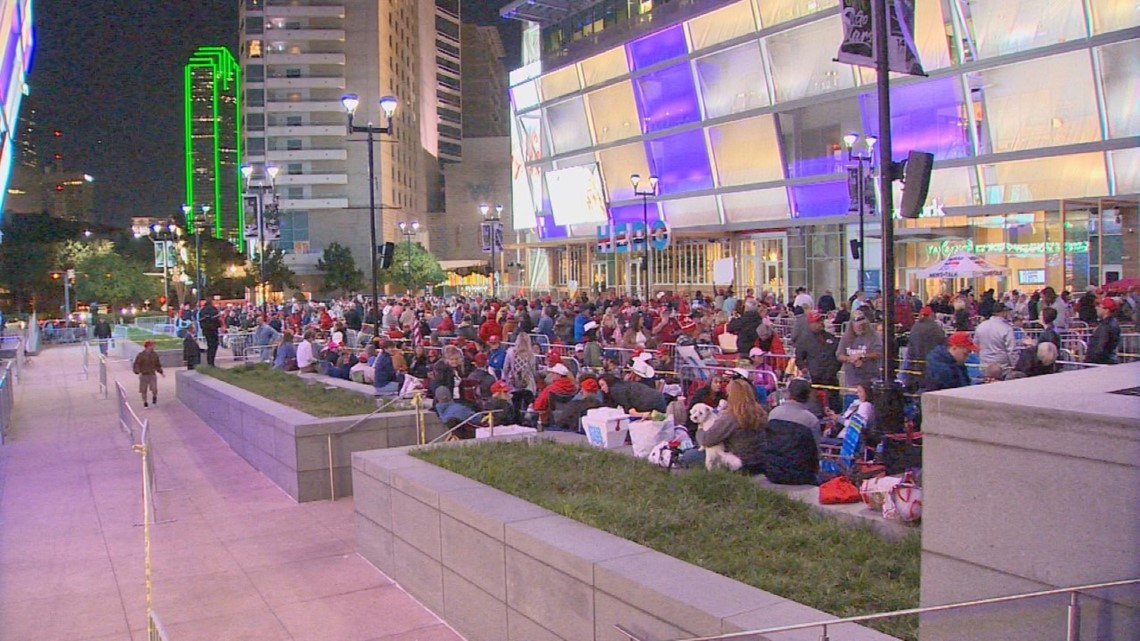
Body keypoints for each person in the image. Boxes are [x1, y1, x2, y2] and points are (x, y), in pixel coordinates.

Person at [682, 378, 767, 473]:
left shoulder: (731, 417)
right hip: (758, 460)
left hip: (736, 461)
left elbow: (706, 440)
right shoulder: (761, 413)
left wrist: (700, 428)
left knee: (688, 455)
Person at [794, 311, 842, 414]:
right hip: (815, 379)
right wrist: (805, 369)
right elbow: (799, 358)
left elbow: (838, 355)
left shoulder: (831, 338)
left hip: (831, 378)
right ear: (810, 323)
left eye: (821, 320)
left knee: (835, 405)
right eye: (817, 321)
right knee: (817, 406)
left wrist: (835, 368)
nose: (820, 323)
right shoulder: (804, 340)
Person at [836, 310, 882, 405]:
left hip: (870, 380)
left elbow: (879, 353)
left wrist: (863, 356)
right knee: (852, 407)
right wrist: (851, 359)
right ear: (852, 324)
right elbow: (839, 355)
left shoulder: (874, 336)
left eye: (862, 324)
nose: (860, 326)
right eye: (858, 324)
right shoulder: (846, 338)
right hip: (852, 381)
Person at [768, 378, 821, 444]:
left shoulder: (773, 413)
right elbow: (815, 446)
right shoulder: (811, 420)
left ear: (789, 393)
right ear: (808, 396)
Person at [905, 306, 945, 388]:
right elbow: (943, 344)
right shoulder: (936, 328)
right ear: (931, 315)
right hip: (932, 365)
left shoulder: (915, 327)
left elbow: (910, 349)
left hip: (916, 365)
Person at [974, 302, 1017, 370]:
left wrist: (981, 357)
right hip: (1002, 365)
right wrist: (1015, 365)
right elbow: (1011, 350)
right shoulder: (1006, 328)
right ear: (1003, 312)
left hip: (984, 364)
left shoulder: (981, 326)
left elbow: (976, 345)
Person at [1085, 297, 1121, 364]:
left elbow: (1099, 347)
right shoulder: (1109, 323)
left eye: (1099, 306)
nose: (1096, 308)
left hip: (1101, 363)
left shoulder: (1106, 326)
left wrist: (1089, 361)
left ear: (1106, 310)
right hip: (1105, 361)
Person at [132, 339, 164, 407]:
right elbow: (136, 364)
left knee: (154, 389)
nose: (154, 346)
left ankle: (154, 398)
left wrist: (161, 372)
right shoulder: (141, 355)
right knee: (143, 390)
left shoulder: (155, 355)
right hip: (143, 375)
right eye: (152, 345)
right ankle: (145, 403)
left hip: (152, 374)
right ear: (148, 346)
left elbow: (157, 364)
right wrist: (137, 370)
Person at [198, 299, 221, 366]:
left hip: (206, 330)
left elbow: (200, 322)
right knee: (214, 345)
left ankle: (209, 361)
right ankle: (211, 361)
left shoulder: (202, 311)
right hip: (213, 330)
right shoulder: (214, 310)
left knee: (209, 345)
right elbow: (217, 320)